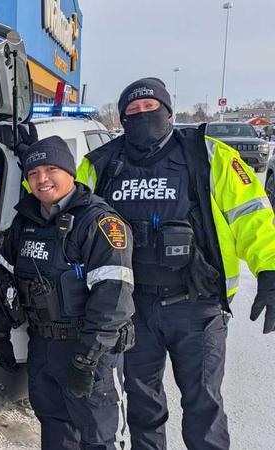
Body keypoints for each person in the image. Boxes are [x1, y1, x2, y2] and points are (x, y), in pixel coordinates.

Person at [76, 77, 275, 450]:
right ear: (121, 119)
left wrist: (270, 270)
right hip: (132, 312)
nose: (142, 115)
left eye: (150, 108)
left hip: (197, 307)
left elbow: (253, 217)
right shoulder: (101, 164)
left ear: (168, 111)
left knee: (204, 407)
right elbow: (59, 199)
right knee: (142, 406)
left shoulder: (209, 155)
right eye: (132, 111)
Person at [0, 136, 135, 449]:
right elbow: (3, 281)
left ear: (70, 172)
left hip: (88, 351)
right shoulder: (24, 221)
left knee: (99, 435)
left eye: (50, 169)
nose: (41, 179)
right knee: (54, 426)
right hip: (42, 346)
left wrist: (87, 359)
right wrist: (0, 334)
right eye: (33, 173)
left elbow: (113, 298)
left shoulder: (100, 222)